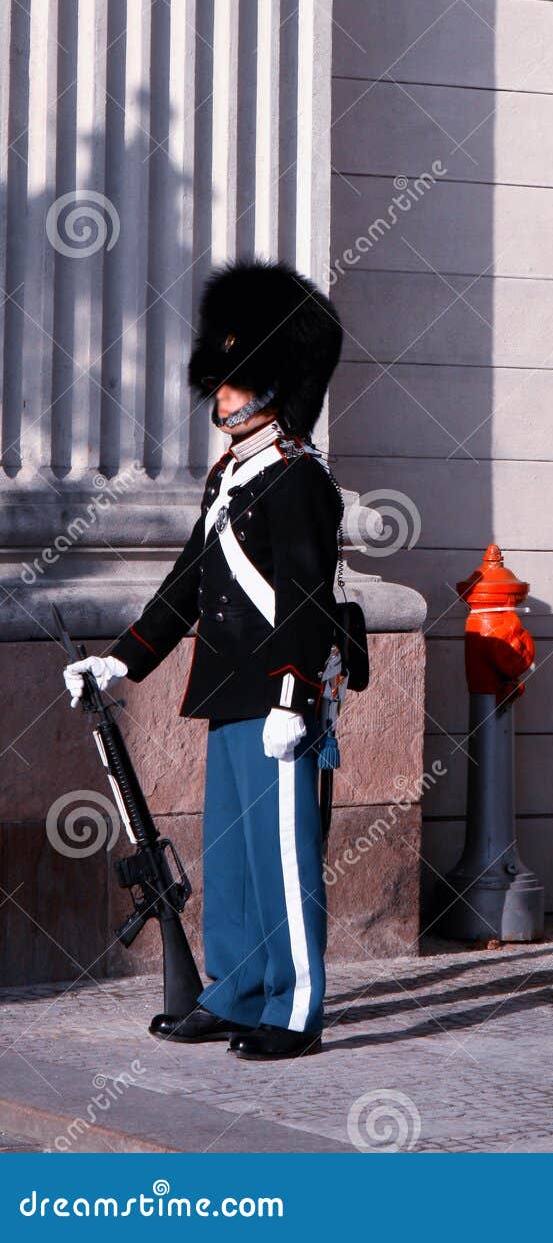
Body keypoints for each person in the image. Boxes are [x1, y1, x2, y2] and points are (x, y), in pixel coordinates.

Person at [62, 260, 344, 1061]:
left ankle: (294, 1009)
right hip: (226, 687)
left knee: (282, 862)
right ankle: (237, 990)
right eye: (218, 382)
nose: (219, 397)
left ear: (272, 388)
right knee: (231, 856)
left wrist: (294, 698)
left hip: (278, 698)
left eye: (234, 382)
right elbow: (188, 581)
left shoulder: (297, 481)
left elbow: (308, 600)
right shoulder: (231, 476)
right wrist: (122, 663)